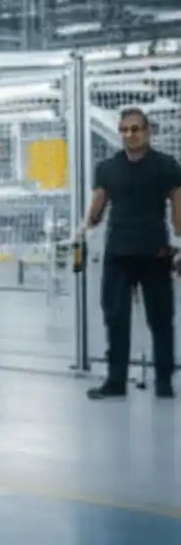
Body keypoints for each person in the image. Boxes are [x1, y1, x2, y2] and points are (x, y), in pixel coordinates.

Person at [82, 108, 181, 400]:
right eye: (124, 130)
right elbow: (97, 207)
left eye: (135, 129)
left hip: (155, 252)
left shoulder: (166, 166)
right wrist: (89, 220)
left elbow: (178, 208)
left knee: (161, 319)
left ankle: (163, 380)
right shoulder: (108, 168)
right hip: (119, 252)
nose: (130, 135)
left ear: (147, 131)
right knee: (115, 318)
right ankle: (115, 381)